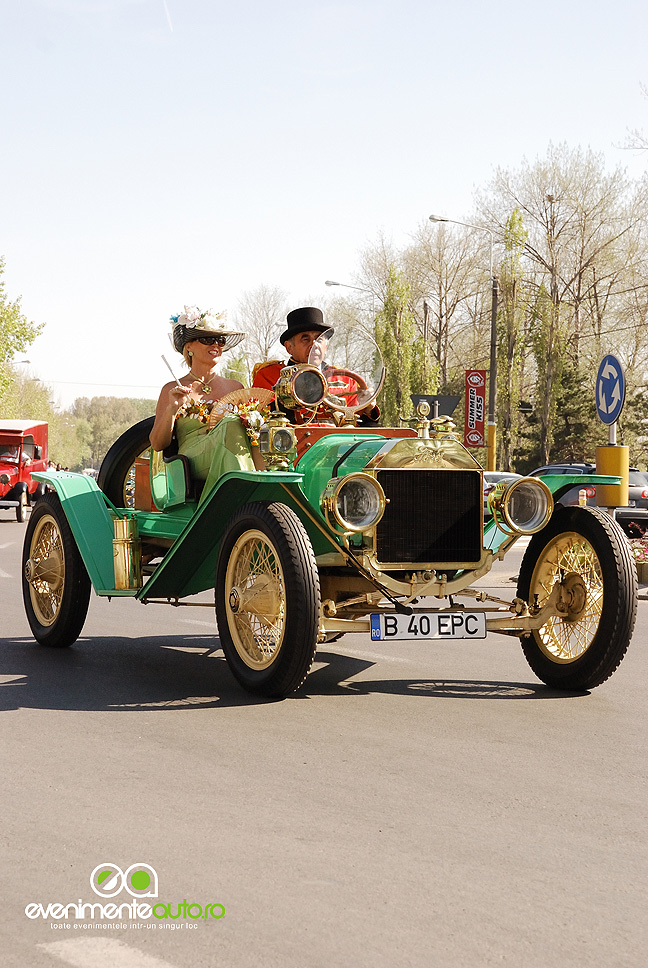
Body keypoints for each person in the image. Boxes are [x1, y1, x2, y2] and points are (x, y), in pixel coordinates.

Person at [150, 306, 254, 499]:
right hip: (193, 459)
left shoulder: (236, 386)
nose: (215, 345)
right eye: (207, 339)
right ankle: (245, 499)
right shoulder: (171, 388)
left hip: (234, 452)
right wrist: (172, 409)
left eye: (220, 340)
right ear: (188, 347)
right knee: (231, 423)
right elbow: (157, 444)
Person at [252, 306, 380, 424]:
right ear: (289, 347)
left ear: (326, 345)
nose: (314, 344)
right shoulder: (270, 376)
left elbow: (360, 431)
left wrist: (368, 409)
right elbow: (261, 422)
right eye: (305, 338)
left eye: (319, 338)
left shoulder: (347, 380)